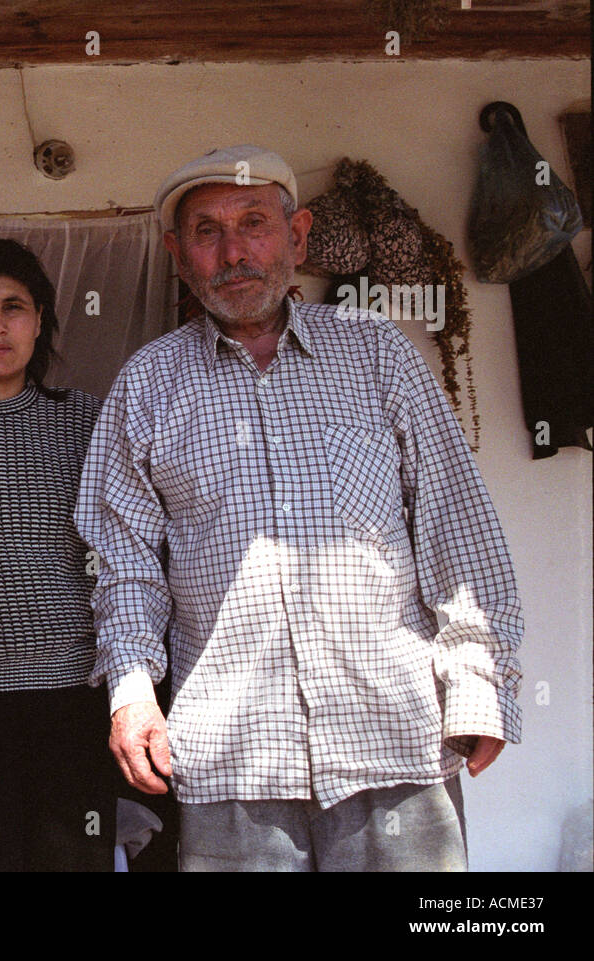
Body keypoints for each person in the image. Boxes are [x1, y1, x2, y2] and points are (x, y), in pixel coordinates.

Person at [75, 145, 523, 871]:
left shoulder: (380, 354)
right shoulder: (147, 385)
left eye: (254, 222)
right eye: (207, 231)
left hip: (395, 740)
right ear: (176, 253)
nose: (234, 250)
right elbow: (123, 564)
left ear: (299, 235)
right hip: (231, 761)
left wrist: (478, 682)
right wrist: (131, 692)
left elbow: (456, 528)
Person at [0, 238, 117, 871]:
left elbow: (126, 548)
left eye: (14, 305)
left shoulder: (89, 421)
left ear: (39, 319)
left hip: (76, 693)